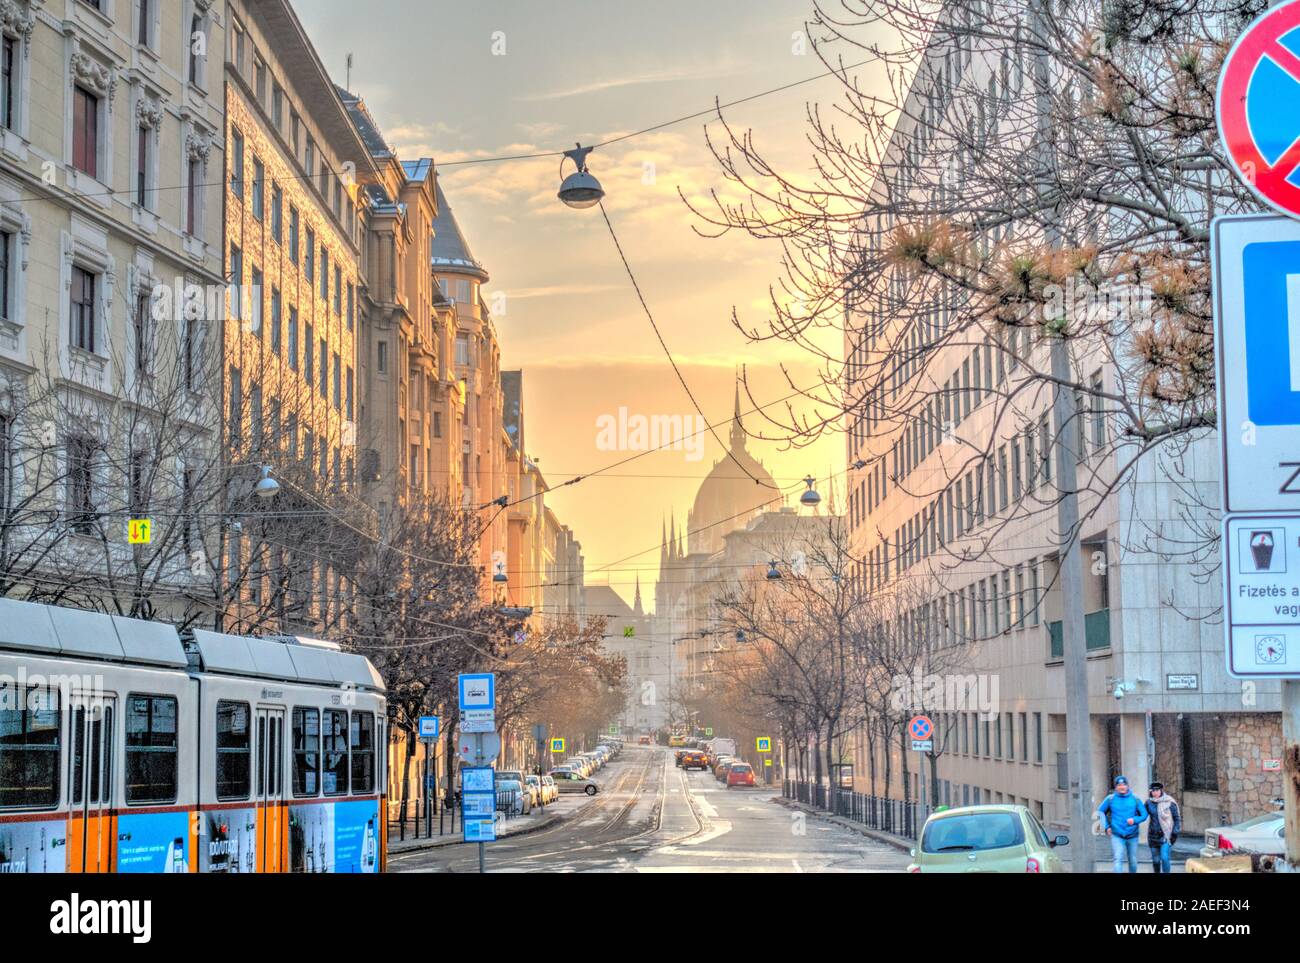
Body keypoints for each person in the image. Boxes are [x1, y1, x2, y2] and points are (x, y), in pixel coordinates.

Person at [1097, 775, 1148, 873]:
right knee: (1118, 859)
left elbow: (1144, 814)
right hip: (1117, 835)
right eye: (1119, 785)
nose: (1122, 787)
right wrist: (1106, 827)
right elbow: (1100, 812)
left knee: (1132, 860)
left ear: (1127, 786)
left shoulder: (1135, 799)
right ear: (1116, 787)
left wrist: (1135, 820)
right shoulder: (1110, 799)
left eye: (1124, 784)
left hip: (1132, 835)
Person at [1145, 782, 1181, 874]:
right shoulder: (1148, 803)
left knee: (1165, 858)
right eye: (1153, 791)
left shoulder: (1169, 802)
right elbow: (1142, 815)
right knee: (1156, 860)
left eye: (1157, 790)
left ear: (1161, 790)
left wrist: (1175, 833)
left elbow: (1176, 819)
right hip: (1153, 836)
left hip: (1166, 835)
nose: (1155, 792)